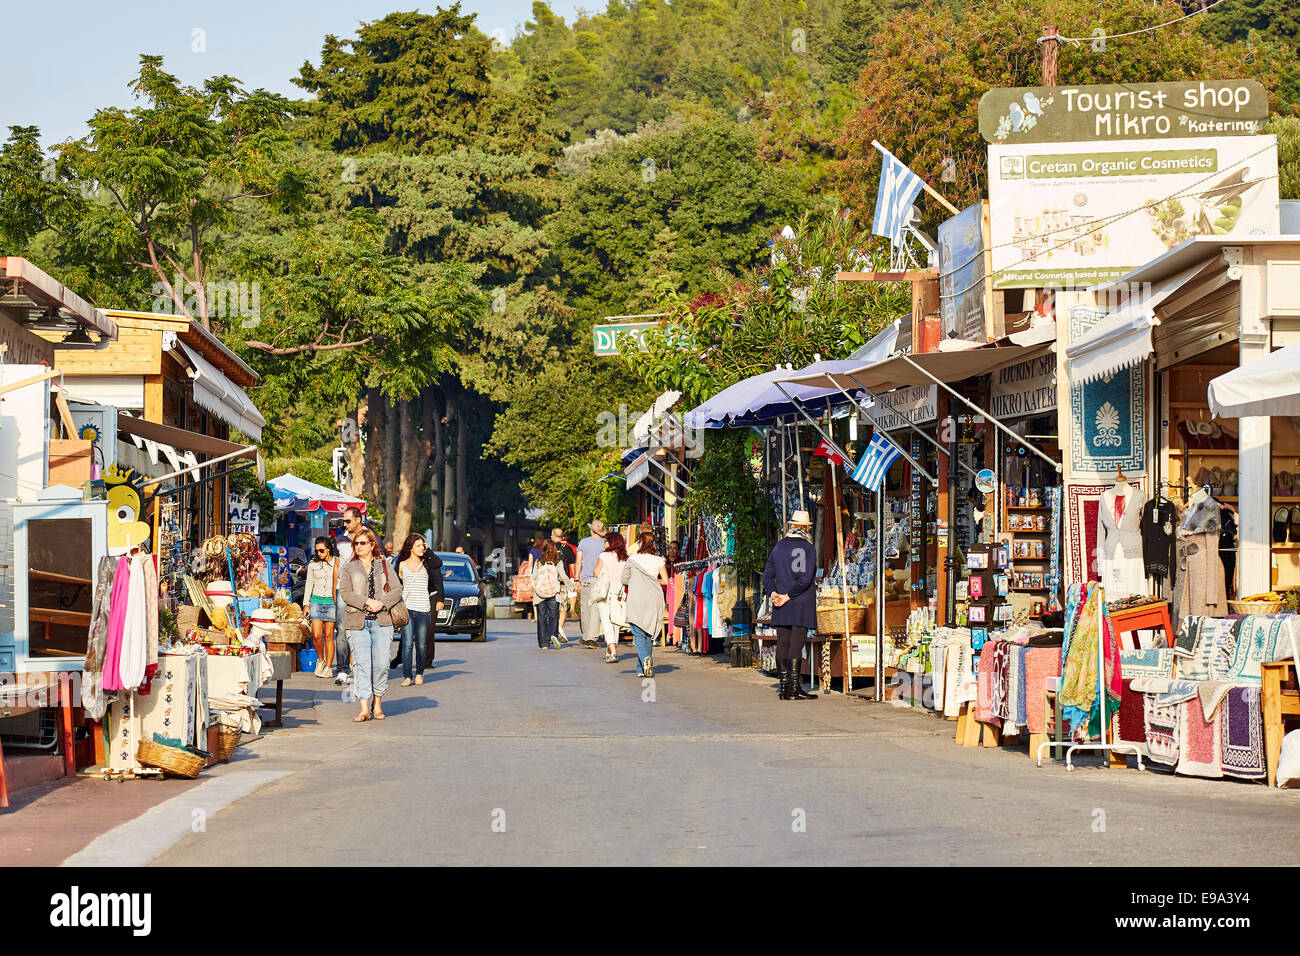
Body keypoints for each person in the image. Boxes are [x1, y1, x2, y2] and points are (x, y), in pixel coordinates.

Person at [340, 528, 403, 721]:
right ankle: (364, 708)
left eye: (362, 543)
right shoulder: (349, 568)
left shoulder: (384, 564)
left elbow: (397, 589)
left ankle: (378, 704)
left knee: (382, 664)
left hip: (382, 622)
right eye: (356, 544)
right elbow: (345, 592)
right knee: (361, 665)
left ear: (371, 545)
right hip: (357, 622)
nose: (358, 547)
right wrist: (367, 602)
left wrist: (382, 603)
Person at [761, 510, 818, 701]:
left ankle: (785, 687)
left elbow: (767, 576)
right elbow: (806, 578)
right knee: (796, 644)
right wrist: (788, 596)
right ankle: (794, 688)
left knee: (783, 643)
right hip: (800, 601)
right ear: (805, 528)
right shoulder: (808, 548)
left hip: (780, 602)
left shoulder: (778, 547)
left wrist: (774, 593)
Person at [397, 533, 444, 686]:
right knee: (407, 643)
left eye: (423, 545)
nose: (422, 548)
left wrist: (428, 549)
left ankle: (419, 673)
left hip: (424, 608)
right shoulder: (401, 564)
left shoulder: (427, 563)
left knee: (422, 644)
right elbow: (398, 586)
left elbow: (439, 562)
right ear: (410, 548)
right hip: (407, 608)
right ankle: (407, 676)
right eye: (418, 546)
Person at [622, 531, 669, 678]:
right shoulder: (659, 561)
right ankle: (641, 668)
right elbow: (666, 581)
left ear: (640, 543)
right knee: (648, 633)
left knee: (638, 632)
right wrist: (653, 580)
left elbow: (624, 579)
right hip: (654, 598)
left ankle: (646, 659)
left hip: (637, 598)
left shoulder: (632, 560)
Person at [303, 537, 341, 679]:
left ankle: (329, 667)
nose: (319, 553)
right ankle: (320, 659)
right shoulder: (313, 564)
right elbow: (309, 584)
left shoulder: (337, 563)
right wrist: (306, 604)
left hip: (331, 601)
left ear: (329, 549)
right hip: (316, 601)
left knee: (329, 635)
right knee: (317, 635)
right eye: (317, 550)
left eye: (322, 550)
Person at [530, 540, 571, 650]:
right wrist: (572, 586)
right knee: (553, 617)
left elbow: (533, 576)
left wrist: (534, 585)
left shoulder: (539, 561)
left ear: (542, 549)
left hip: (540, 594)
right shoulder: (558, 561)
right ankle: (553, 634)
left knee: (542, 617)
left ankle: (543, 644)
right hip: (554, 593)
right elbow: (563, 577)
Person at [594, 531, 628, 663]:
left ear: (611, 542)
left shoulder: (604, 555)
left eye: (606, 541)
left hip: (606, 592)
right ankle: (610, 650)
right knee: (616, 622)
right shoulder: (625, 557)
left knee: (606, 622)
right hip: (620, 593)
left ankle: (613, 651)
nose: (604, 543)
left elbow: (596, 572)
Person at [576, 519, 607, 647]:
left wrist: (576, 580)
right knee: (596, 609)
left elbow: (578, 562)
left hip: (585, 580)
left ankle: (585, 635)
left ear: (591, 530)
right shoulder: (605, 544)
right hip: (599, 579)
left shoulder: (583, 542)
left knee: (585, 609)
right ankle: (592, 638)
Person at [551, 527, 577, 642]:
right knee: (562, 606)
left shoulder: (547, 548)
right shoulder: (567, 548)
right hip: (562, 581)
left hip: (549, 581)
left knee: (551, 606)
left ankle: (553, 630)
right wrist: (574, 579)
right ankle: (560, 628)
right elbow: (572, 565)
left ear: (553, 536)